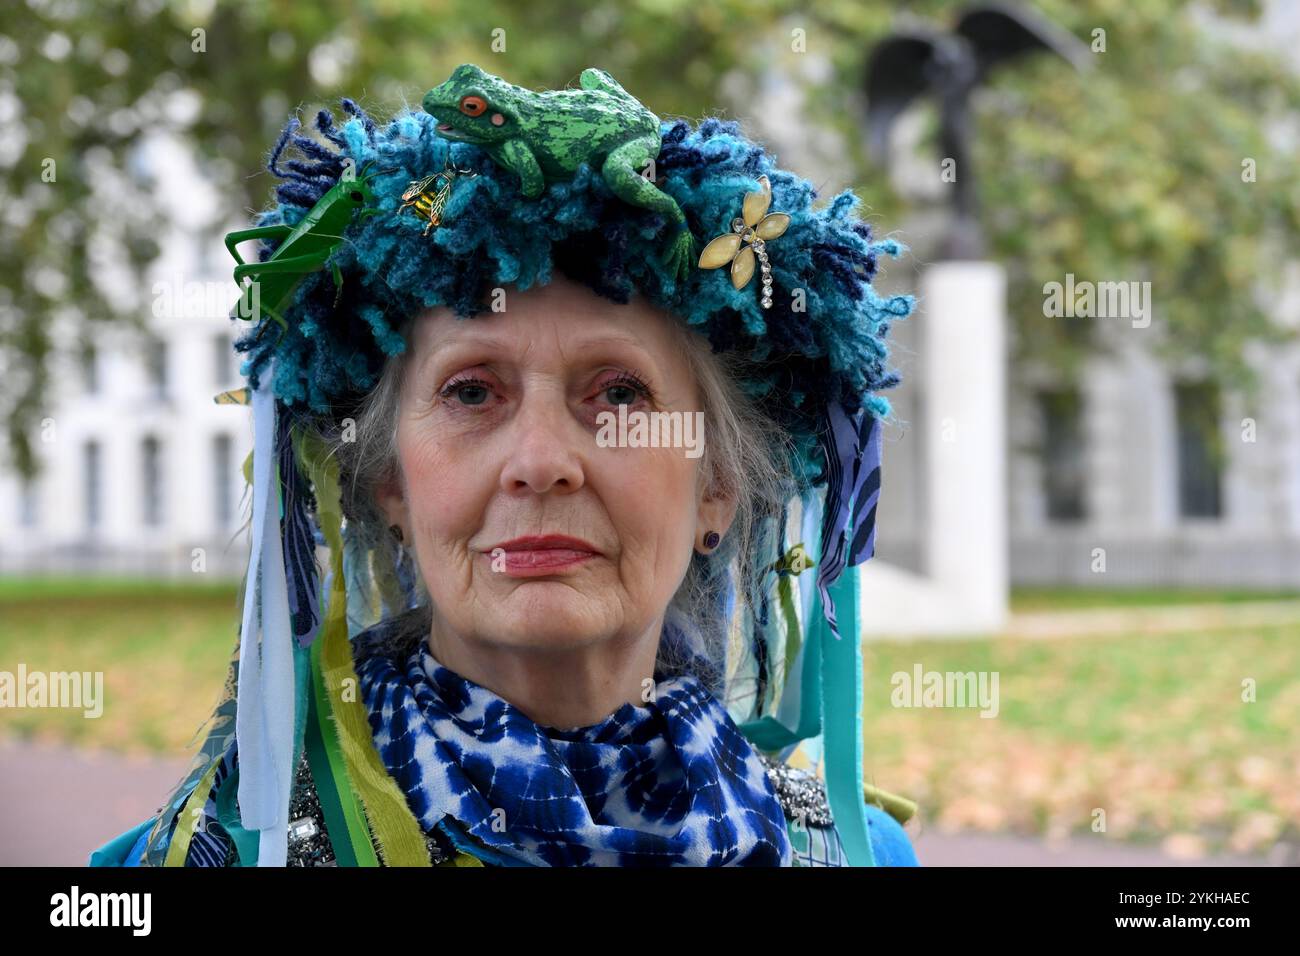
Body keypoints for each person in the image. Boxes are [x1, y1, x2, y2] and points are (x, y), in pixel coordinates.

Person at [88, 63, 919, 867]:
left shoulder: (852, 852)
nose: (541, 463)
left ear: (718, 488)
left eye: (621, 394)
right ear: (390, 486)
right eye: (473, 392)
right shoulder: (232, 853)